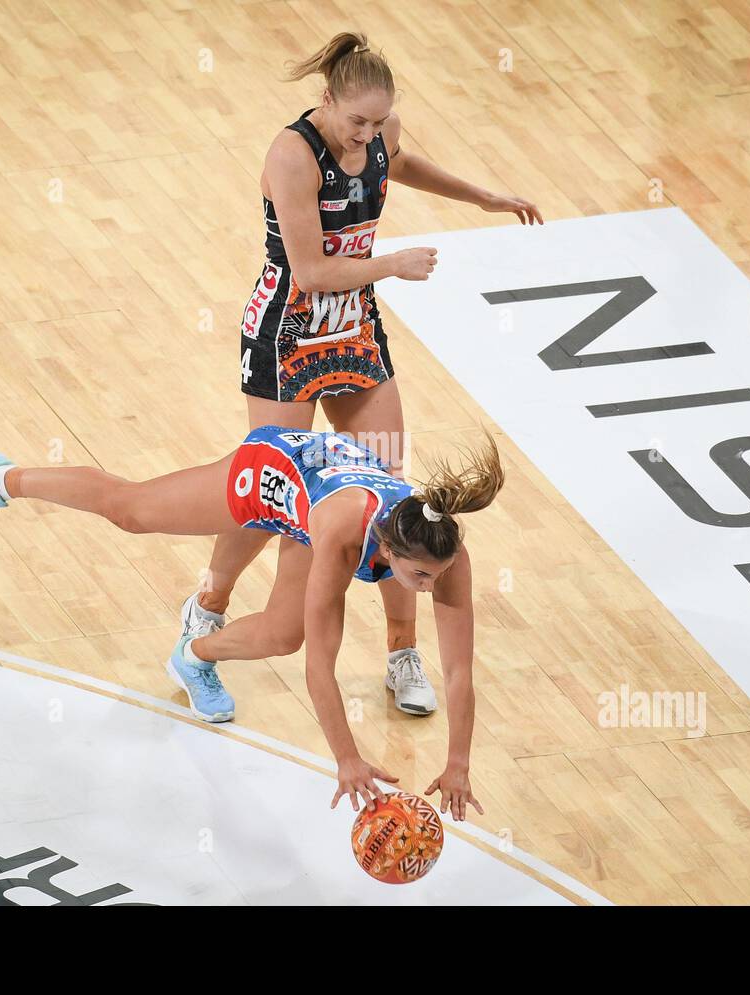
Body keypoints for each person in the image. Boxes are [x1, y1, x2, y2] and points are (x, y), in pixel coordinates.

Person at [184, 30, 543, 721]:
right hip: (288, 330)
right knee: (266, 500)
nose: (368, 136)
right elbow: (313, 271)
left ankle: (402, 651)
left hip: (352, 327)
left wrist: (481, 197)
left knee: (391, 496)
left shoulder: (380, 131)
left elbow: (400, 164)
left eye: (378, 123)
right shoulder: (292, 155)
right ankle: (206, 609)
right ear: (326, 101)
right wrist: (390, 263)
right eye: (357, 122)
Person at [0, 426, 503, 819]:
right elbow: (320, 669)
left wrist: (458, 764)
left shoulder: (443, 549)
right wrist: (346, 760)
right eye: (419, 577)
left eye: (436, 576)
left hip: (322, 488)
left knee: (282, 635)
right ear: (387, 548)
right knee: (132, 510)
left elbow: (457, 673)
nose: (429, 588)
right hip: (274, 473)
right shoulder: (341, 535)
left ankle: (194, 655)